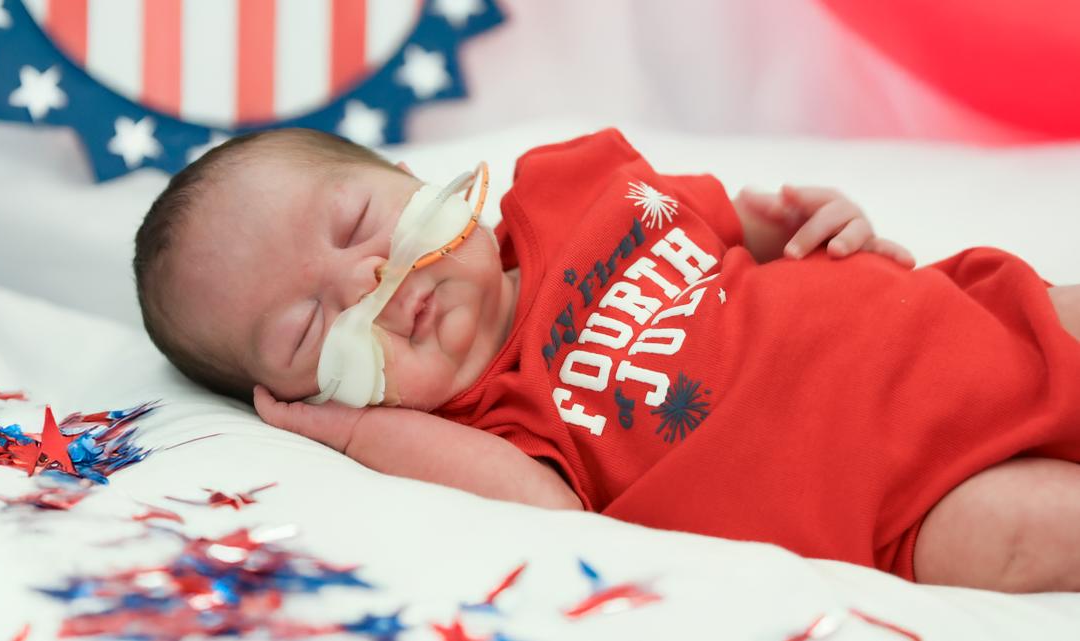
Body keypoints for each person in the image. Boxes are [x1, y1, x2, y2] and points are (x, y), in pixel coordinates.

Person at [134, 127, 1080, 593]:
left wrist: (796, 223)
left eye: (353, 223)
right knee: (1036, 533)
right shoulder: (487, 427)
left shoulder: (574, 188)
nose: (372, 278)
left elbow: (725, 223)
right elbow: (544, 517)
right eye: (309, 329)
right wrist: (358, 432)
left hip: (958, 326)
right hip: (897, 504)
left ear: (413, 180)